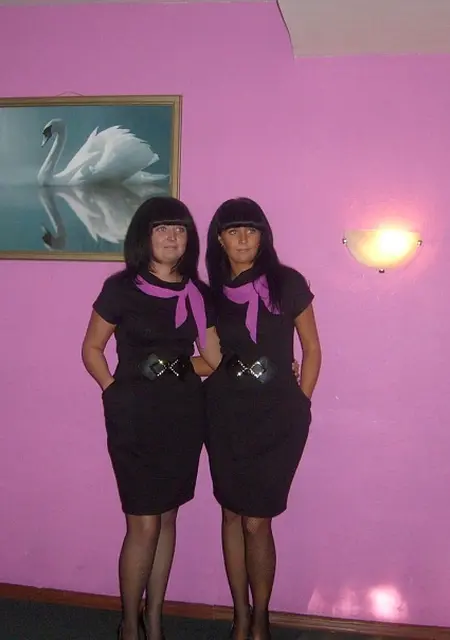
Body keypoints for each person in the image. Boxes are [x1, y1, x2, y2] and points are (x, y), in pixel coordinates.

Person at [81, 197, 221, 640]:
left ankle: (154, 620)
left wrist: (177, 368)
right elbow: (92, 349)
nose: (172, 237)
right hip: (134, 416)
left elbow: (212, 359)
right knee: (143, 521)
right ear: (144, 236)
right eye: (162, 228)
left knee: (168, 518)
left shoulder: (197, 293)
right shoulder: (121, 288)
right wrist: (113, 388)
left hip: (182, 414)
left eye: (179, 229)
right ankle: (129, 623)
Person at [203, 198, 322, 640]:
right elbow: (211, 358)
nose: (242, 239)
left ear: (263, 236)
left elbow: (312, 348)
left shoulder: (287, 283)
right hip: (224, 412)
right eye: (233, 230)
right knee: (231, 516)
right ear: (219, 238)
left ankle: (261, 616)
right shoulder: (211, 294)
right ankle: (240, 614)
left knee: (257, 520)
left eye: (250, 230)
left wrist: (301, 400)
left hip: (277, 415)